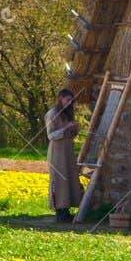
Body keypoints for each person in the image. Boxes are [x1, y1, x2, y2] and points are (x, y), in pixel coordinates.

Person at [46, 88, 83, 223]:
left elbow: (71, 135)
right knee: (59, 179)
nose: (69, 103)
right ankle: (60, 212)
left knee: (69, 178)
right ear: (60, 99)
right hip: (57, 150)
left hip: (67, 150)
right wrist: (66, 127)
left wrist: (74, 129)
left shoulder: (66, 114)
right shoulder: (52, 114)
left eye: (71, 101)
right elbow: (51, 135)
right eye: (67, 100)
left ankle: (66, 211)